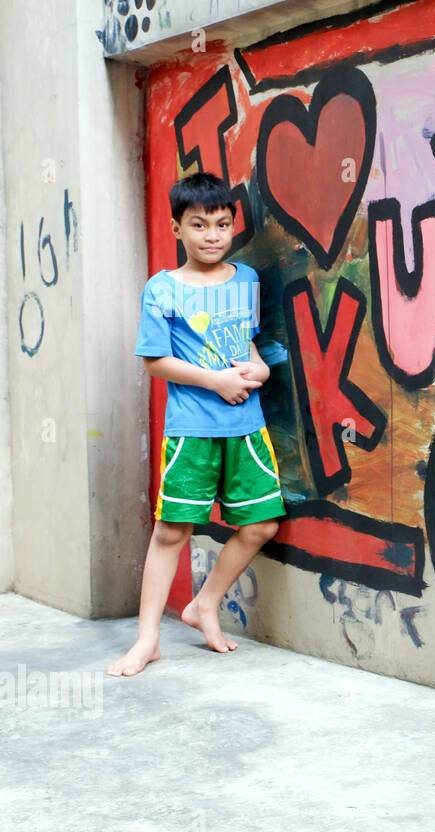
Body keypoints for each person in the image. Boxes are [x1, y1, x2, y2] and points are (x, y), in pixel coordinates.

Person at [109, 172, 285, 677]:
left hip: (246, 428)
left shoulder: (246, 280)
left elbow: (247, 344)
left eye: (223, 224)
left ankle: (205, 604)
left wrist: (263, 369)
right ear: (177, 228)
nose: (212, 235)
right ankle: (148, 640)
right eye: (199, 224)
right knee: (172, 532)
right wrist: (213, 382)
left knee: (261, 525)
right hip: (191, 430)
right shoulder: (162, 289)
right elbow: (155, 361)